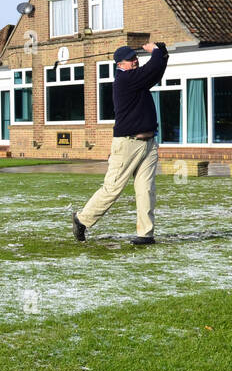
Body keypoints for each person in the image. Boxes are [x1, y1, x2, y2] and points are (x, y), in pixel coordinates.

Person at [72, 42, 169, 245]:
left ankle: (145, 234)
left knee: (146, 189)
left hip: (149, 143)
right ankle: (82, 219)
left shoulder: (137, 80)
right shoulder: (124, 80)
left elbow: (155, 72)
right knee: (113, 188)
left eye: (136, 58)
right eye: (131, 59)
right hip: (127, 144)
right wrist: (156, 51)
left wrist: (163, 54)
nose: (135, 61)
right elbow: (152, 68)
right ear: (120, 65)